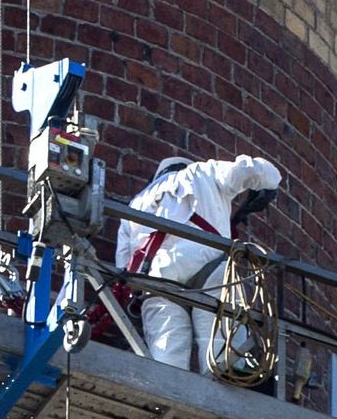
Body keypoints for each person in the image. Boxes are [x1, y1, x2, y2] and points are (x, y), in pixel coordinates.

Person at [118, 152, 283, 371]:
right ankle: (224, 389)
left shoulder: (136, 204)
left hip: (157, 278)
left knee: (167, 356)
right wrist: (266, 187)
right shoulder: (203, 172)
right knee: (222, 354)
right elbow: (256, 171)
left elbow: (123, 265)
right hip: (209, 266)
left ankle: (169, 398)